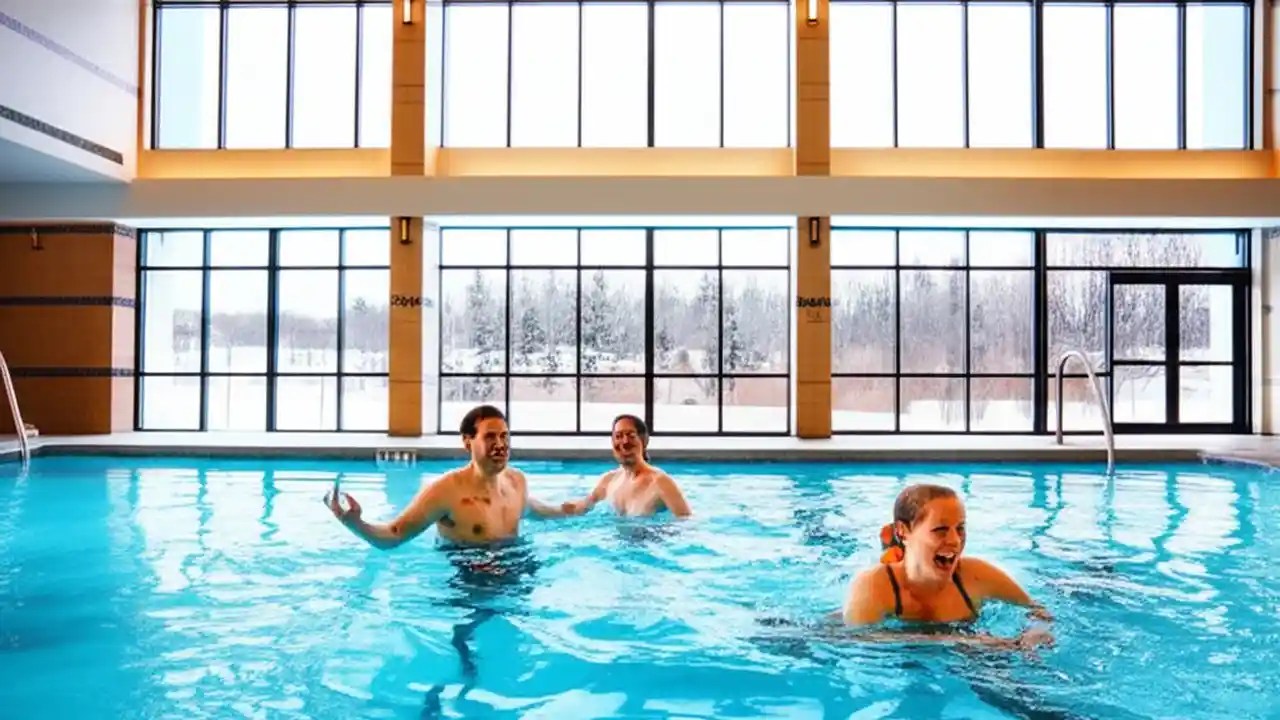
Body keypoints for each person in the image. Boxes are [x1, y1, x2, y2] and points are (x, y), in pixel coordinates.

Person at [841, 483, 1054, 651]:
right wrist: (956, 640)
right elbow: (859, 640)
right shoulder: (874, 585)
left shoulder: (976, 575)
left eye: (960, 528)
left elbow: (1038, 611)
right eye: (941, 529)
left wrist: (1035, 633)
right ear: (903, 531)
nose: (955, 541)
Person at [324, 404, 569, 548]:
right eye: (490, 437)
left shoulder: (517, 482)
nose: (500, 444)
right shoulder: (446, 492)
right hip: (470, 576)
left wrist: (580, 508)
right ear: (467, 442)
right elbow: (394, 535)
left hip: (516, 565)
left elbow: (536, 509)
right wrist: (355, 524)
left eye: (505, 436)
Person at [560, 414, 692, 518]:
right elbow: (579, 509)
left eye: (631, 435)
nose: (624, 442)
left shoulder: (660, 482)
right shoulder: (608, 481)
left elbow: (686, 524)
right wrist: (541, 509)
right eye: (618, 436)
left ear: (644, 441)